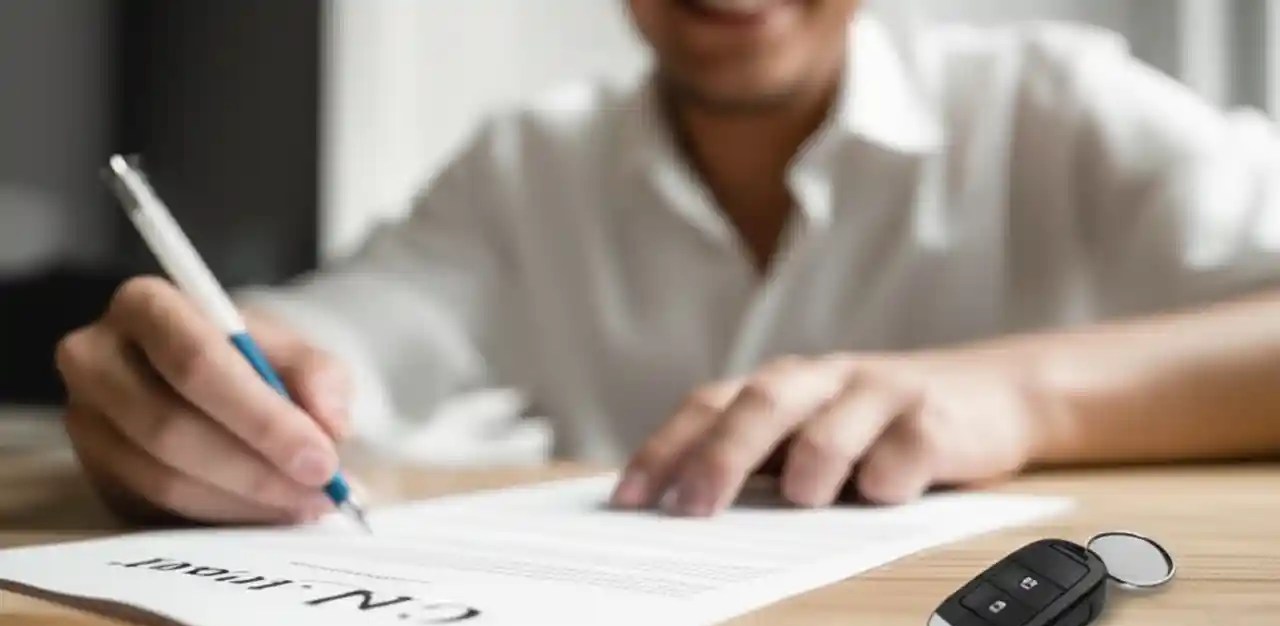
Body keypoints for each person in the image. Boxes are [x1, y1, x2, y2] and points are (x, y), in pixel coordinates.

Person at [56, 0, 1280, 525]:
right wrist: (203, 379)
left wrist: (1012, 393)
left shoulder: (1060, 108)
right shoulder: (526, 167)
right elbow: (352, 335)